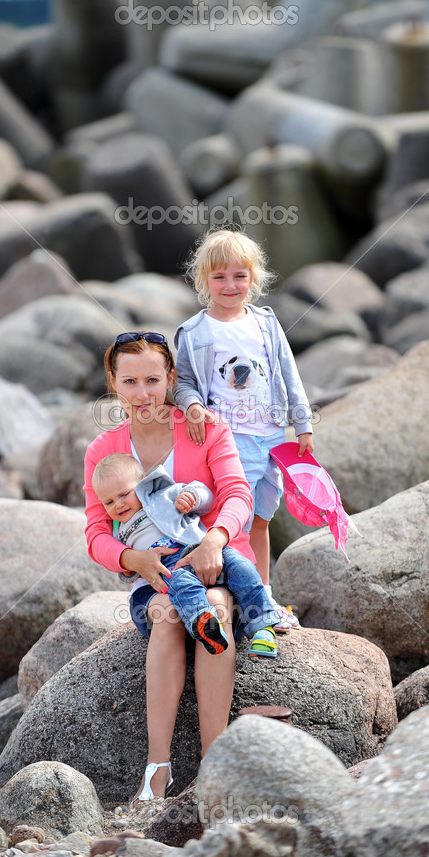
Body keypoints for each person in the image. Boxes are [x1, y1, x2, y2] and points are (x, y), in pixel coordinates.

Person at [84, 331, 257, 805]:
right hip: (157, 577)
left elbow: (238, 494)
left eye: (153, 380)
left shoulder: (206, 429)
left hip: (217, 565)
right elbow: (95, 532)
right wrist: (133, 560)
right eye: (130, 382)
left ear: (171, 378)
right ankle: (157, 768)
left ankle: (213, 764)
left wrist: (215, 541)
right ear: (113, 382)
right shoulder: (103, 451)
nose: (143, 394)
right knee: (166, 613)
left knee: (215, 607)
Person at [174, 228, 315, 629]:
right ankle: (248, 600)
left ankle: (263, 592)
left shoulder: (265, 323)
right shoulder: (195, 332)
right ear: (203, 280)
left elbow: (288, 372)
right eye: (219, 277)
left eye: (239, 276)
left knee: (262, 517)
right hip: (229, 438)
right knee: (235, 518)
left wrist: (302, 424)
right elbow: (182, 383)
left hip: (271, 434)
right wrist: (194, 407)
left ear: (253, 278)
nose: (230, 285)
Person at [92, 452, 280, 658]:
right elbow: (126, 565)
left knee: (241, 567)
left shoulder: (164, 494)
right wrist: (130, 567)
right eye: (108, 502)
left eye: (123, 494)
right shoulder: (119, 532)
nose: (118, 505)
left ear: (142, 484)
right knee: (181, 585)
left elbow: (207, 497)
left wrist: (192, 496)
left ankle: (263, 626)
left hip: (201, 549)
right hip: (168, 565)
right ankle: (204, 622)